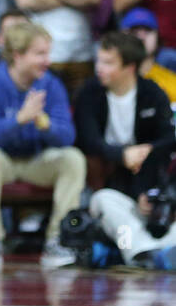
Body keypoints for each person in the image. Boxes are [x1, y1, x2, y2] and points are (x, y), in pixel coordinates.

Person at [0, 20, 85, 269]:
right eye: (40, 54)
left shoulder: (52, 85)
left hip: (35, 161)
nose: (47, 61)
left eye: (48, 53)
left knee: (73, 158)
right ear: (18, 55)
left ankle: (58, 239)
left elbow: (68, 136)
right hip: (0, 162)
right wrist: (19, 119)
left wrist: (46, 125)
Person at [74, 31, 175, 201]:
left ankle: (150, 202)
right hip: (103, 163)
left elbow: (169, 136)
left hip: (142, 163)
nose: (99, 68)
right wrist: (122, 154)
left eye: (108, 63)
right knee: (89, 158)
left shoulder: (153, 93)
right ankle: (94, 202)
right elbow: (88, 139)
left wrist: (147, 150)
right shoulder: (88, 93)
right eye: (99, 60)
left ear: (130, 67)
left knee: (155, 157)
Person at [120, 8, 176, 103]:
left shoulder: (170, 77)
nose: (141, 37)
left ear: (157, 36)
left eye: (147, 30)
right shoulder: (111, 73)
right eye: (134, 31)